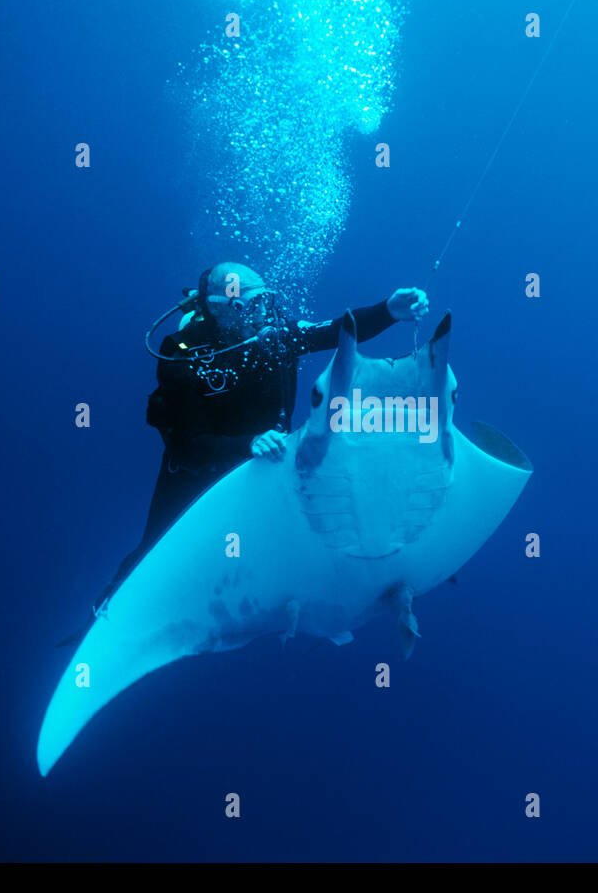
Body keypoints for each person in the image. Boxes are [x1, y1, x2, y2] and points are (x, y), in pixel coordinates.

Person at [87, 261, 428, 626]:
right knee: (156, 550)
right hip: (198, 474)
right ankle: (110, 614)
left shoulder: (278, 337)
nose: (261, 314)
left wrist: (388, 311)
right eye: (246, 305)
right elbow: (188, 444)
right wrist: (247, 444)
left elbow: (335, 331)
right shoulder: (185, 353)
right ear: (218, 308)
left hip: (268, 462)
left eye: (265, 301)